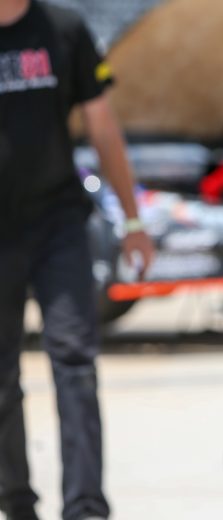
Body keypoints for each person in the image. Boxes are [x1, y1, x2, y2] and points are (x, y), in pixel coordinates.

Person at [0, 1, 155, 519]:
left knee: (75, 363)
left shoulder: (63, 29)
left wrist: (133, 222)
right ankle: (16, 503)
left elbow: (101, 124)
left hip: (58, 223)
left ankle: (85, 509)